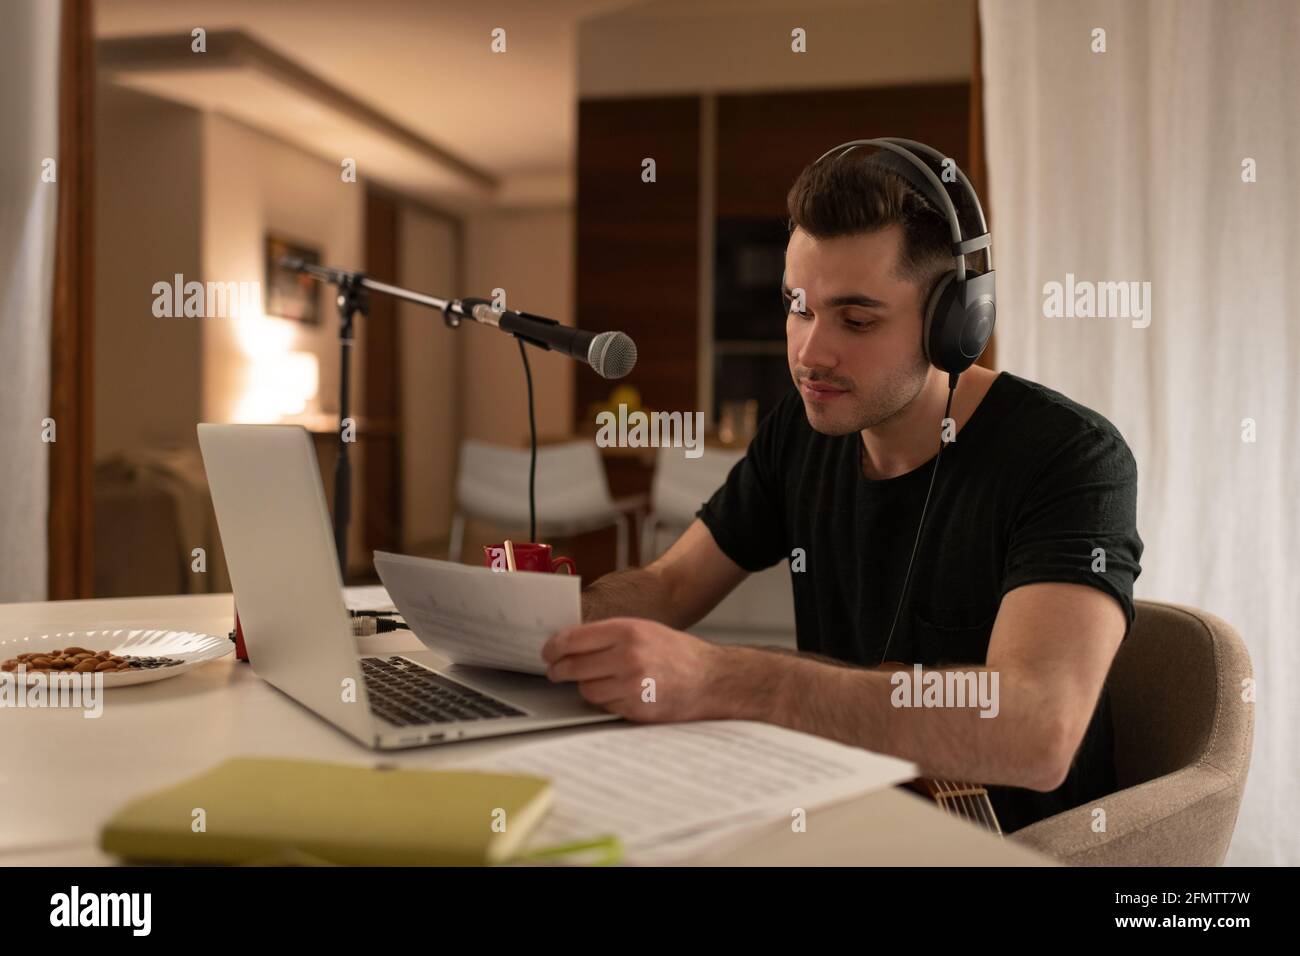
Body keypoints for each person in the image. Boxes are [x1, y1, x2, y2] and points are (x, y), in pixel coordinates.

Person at [541, 142, 1143, 833]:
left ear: (956, 326)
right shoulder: (797, 433)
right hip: (847, 813)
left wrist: (725, 678)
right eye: (799, 308)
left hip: (1012, 841)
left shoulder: (1069, 458)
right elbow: (671, 586)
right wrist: (548, 626)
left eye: (856, 321)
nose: (809, 353)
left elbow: (1038, 733)